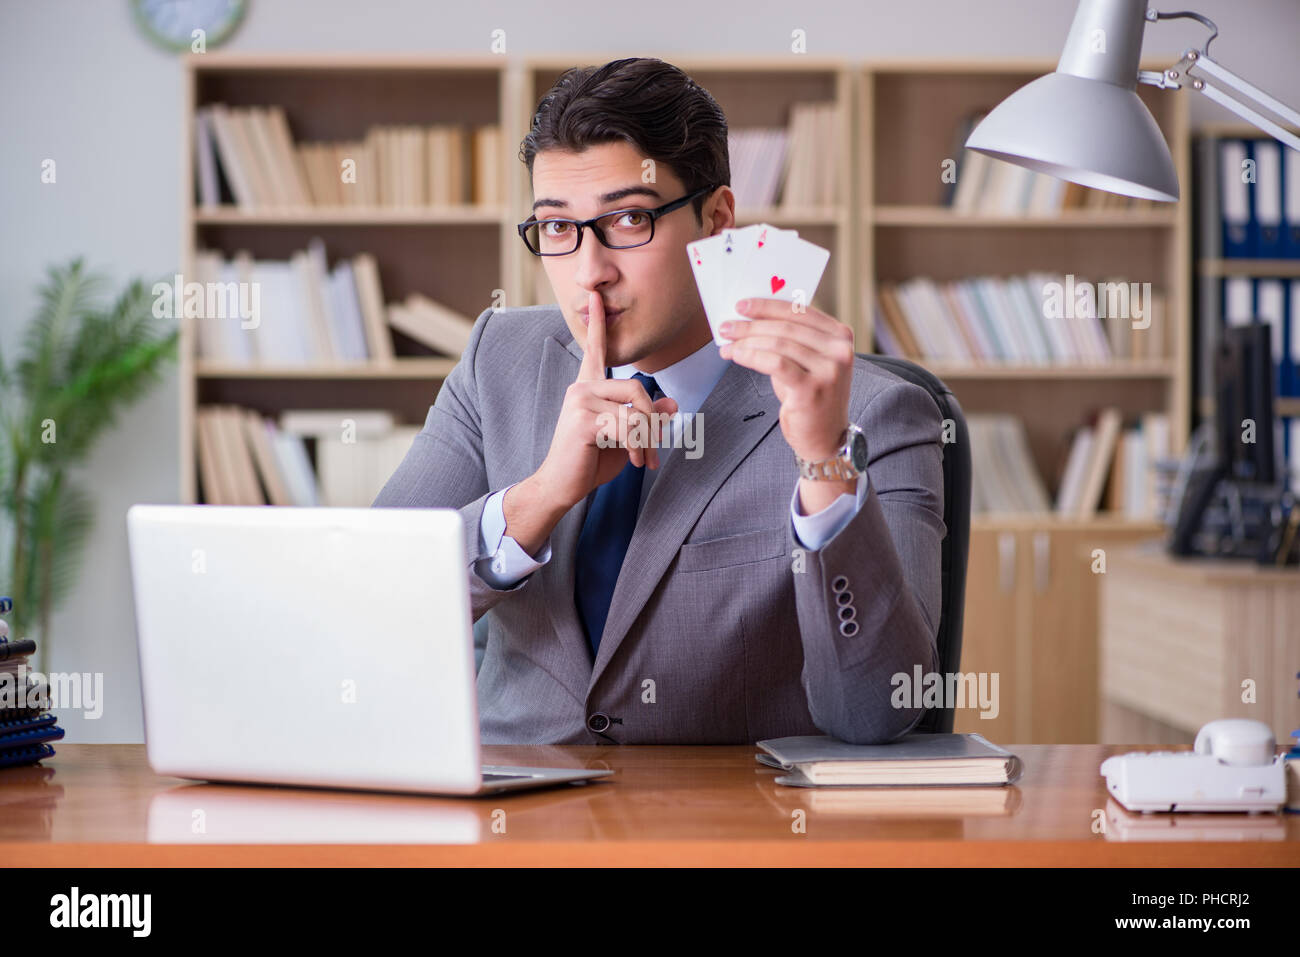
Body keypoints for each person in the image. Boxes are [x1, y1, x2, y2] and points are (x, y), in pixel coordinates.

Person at [374, 57, 946, 745]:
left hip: (720, 831)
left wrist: (824, 464)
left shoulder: (878, 413)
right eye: (558, 228)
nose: (590, 271)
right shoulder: (499, 358)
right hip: (508, 827)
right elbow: (371, 596)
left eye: (628, 219)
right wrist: (541, 497)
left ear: (717, 220)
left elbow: (877, 711)